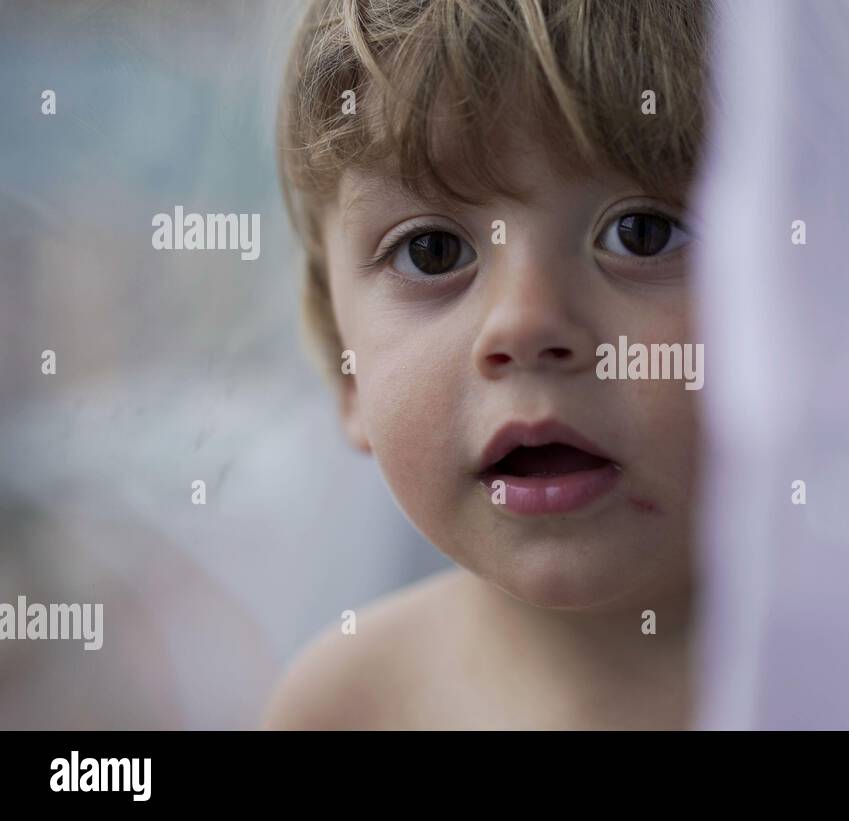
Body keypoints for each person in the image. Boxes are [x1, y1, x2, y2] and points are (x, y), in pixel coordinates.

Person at [262, 0, 712, 729]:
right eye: (431, 250)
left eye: (643, 232)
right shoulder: (346, 704)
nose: (524, 325)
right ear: (347, 370)